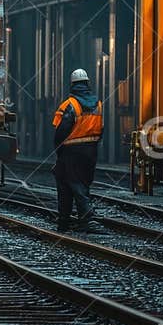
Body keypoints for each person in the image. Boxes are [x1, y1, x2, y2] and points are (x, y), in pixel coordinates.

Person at [51, 68, 103, 232]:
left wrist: (59, 152)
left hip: (71, 151)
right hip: (91, 151)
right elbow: (101, 129)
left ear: (72, 85)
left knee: (69, 185)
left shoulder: (69, 105)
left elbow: (61, 132)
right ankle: (70, 221)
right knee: (82, 184)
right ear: (87, 83)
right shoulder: (97, 104)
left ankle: (81, 219)